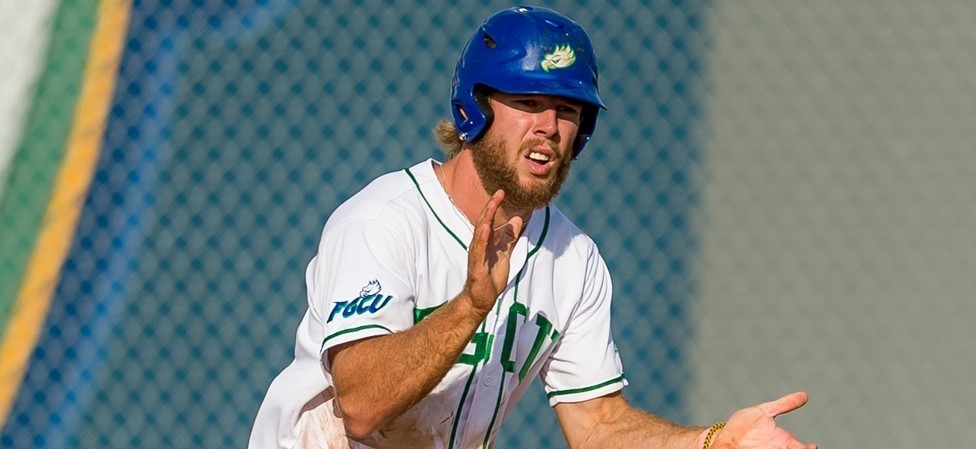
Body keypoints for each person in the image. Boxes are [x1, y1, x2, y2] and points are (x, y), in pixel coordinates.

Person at [248, 5, 817, 449]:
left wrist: (710, 440)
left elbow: (597, 428)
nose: (549, 125)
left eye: (568, 109)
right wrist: (471, 306)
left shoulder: (574, 261)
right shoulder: (384, 220)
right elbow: (361, 405)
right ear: (475, 107)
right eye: (527, 100)